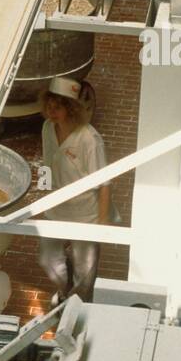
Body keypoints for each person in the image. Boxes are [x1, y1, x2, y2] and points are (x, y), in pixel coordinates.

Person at [38, 76, 114, 303]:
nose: (52, 112)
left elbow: (104, 182)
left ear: (71, 109)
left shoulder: (90, 140)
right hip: (56, 209)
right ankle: (63, 289)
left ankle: (77, 304)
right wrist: (43, 196)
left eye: (58, 107)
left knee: (85, 269)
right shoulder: (47, 128)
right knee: (48, 259)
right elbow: (46, 163)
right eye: (49, 106)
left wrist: (102, 221)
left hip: (84, 214)